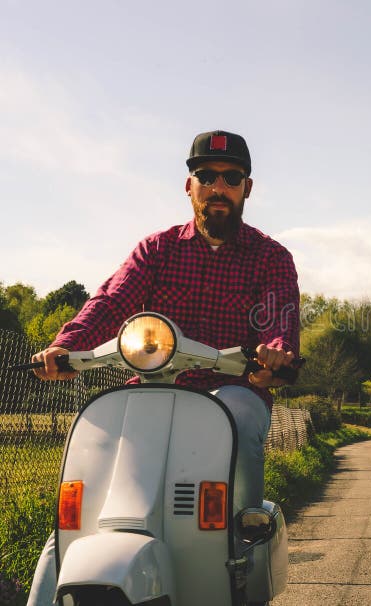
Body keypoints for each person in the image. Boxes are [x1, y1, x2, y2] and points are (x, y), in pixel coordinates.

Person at [26, 130, 300, 606]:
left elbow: (279, 321)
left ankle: (241, 542)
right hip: (152, 389)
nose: (219, 187)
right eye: (206, 177)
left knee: (237, 414)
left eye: (231, 178)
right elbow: (110, 303)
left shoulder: (271, 258)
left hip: (233, 388)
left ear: (247, 189)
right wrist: (65, 346)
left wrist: (275, 355)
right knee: (82, 504)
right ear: (189, 186)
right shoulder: (157, 250)